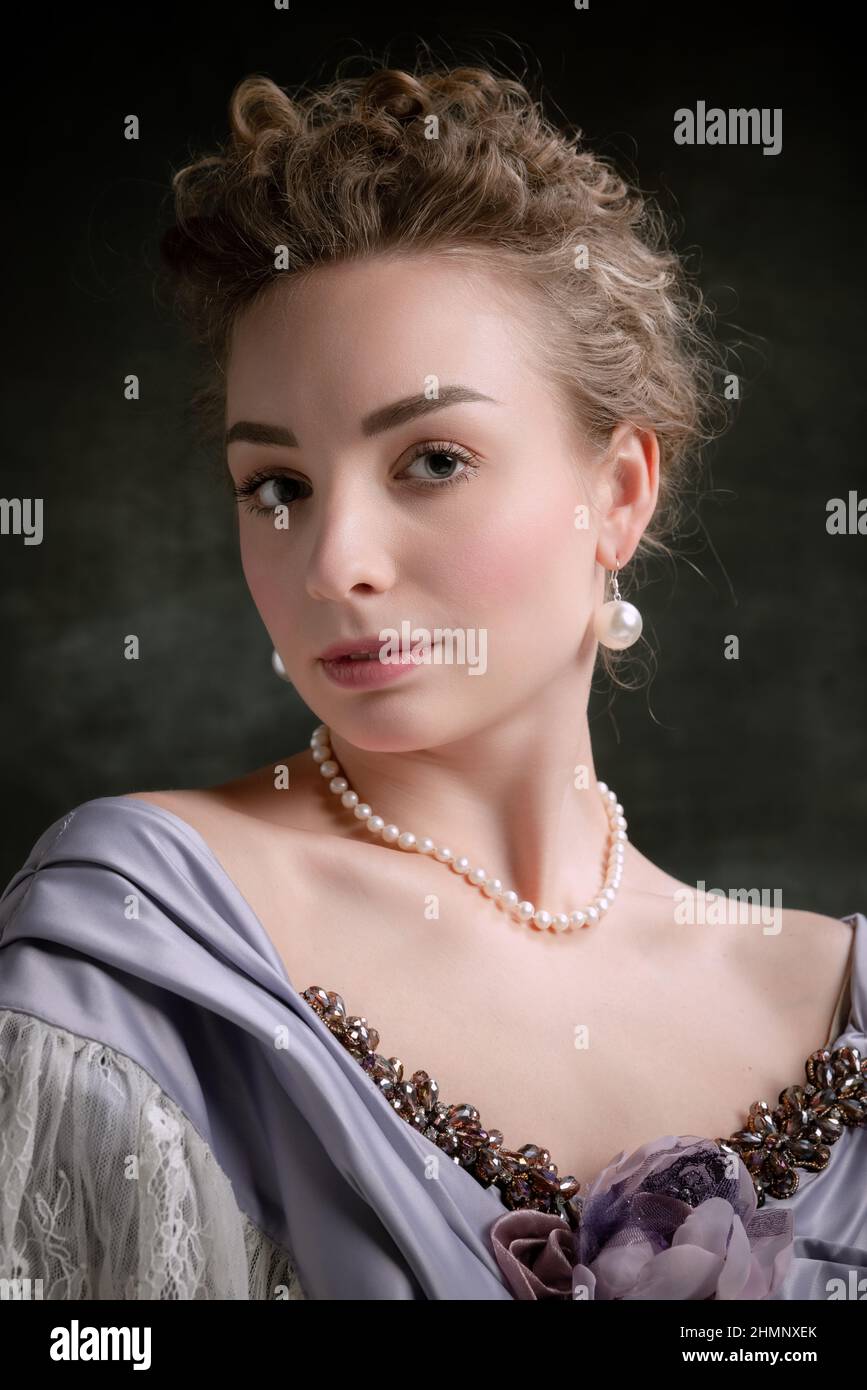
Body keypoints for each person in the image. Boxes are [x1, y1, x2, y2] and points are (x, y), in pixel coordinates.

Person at [1, 62, 863, 1302]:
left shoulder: (834, 990)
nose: (335, 563)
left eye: (433, 459)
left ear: (617, 491)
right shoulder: (143, 935)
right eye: (277, 486)